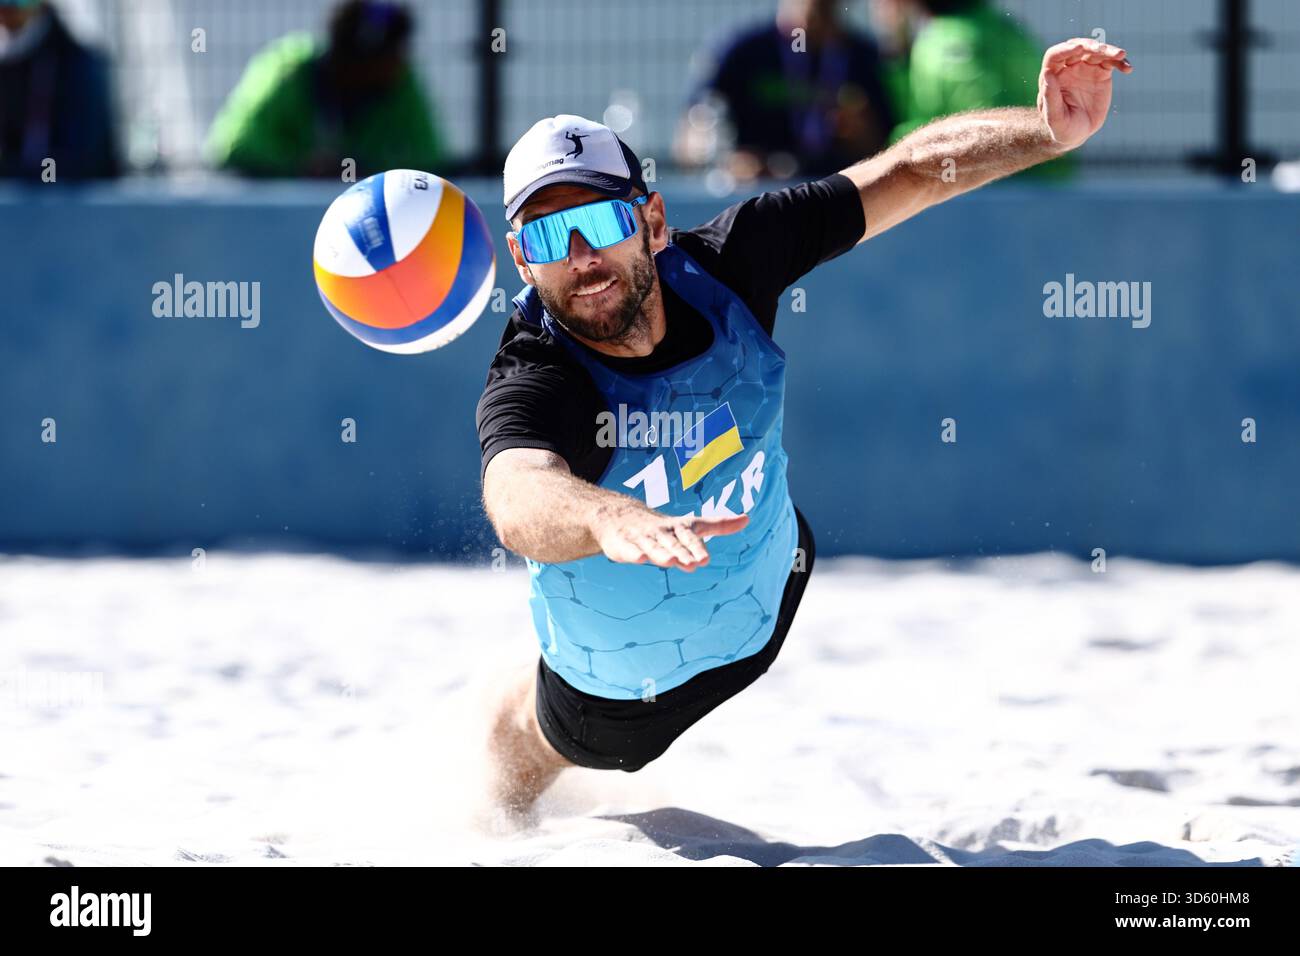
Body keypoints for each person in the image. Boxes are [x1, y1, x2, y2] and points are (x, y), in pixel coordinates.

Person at [477, 39, 1131, 819]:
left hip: (773, 588)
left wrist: (1047, 131)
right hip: (620, 703)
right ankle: (484, 808)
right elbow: (518, 492)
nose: (581, 257)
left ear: (650, 221)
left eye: (599, 220)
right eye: (549, 238)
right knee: (530, 736)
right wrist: (604, 514)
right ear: (522, 258)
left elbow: (911, 172)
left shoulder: (733, 259)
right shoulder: (538, 370)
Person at [205, 0, 444, 178]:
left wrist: (368, 172)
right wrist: (299, 169)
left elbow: (430, 161)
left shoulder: (401, 83)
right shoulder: (287, 70)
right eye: (385, 57)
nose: (398, 64)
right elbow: (232, 148)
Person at [673, 0, 895, 182]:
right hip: (755, 201)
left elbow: (890, 149)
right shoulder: (740, 52)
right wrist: (724, 161)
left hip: (838, 199)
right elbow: (692, 138)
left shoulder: (868, 58)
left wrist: (865, 135)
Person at [882, 0, 1074, 179]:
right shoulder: (1013, 32)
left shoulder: (938, 43)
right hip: (1052, 183)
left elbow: (929, 128)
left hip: (977, 192)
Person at [0, 0, 119, 180]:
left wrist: (18, 172)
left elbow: (81, 164)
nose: (6, 12)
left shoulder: (76, 65)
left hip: (62, 201)